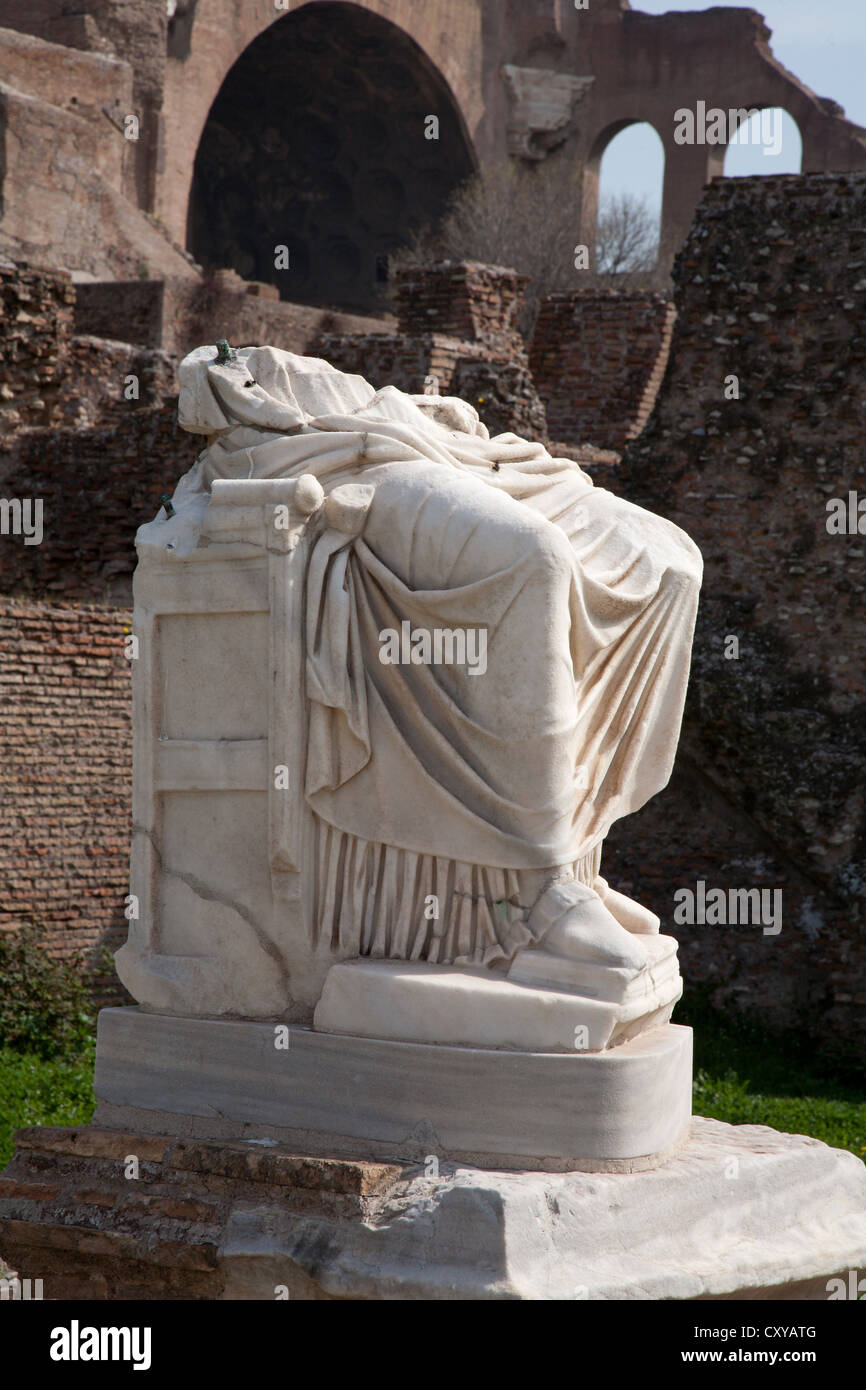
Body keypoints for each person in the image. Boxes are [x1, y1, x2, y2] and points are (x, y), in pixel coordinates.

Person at [143, 342, 702, 995]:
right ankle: (534, 891)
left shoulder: (338, 383)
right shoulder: (226, 375)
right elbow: (201, 386)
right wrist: (237, 385)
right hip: (335, 466)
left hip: (420, 439)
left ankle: (576, 860)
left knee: (670, 562)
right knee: (532, 560)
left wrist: (422, 411)